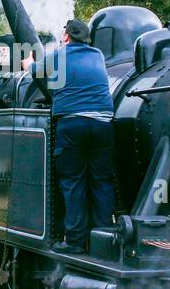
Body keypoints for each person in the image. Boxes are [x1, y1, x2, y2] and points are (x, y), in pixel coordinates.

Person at [24, 18, 117, 255]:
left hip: (73, 123)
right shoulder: (97, 55)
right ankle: (104, 237)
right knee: (101, 181)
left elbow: (34, 71)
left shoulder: (60, 54)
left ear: (66, 36)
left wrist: (28, 63)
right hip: (103, 123)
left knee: (74, 181)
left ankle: (75, 241)